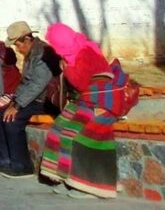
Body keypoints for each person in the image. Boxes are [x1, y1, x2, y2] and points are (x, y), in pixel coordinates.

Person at [40, 23, 127, 199]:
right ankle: (65, 177)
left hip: (102, 103)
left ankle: (89, 187)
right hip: (86, 101)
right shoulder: (75, 53)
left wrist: (66, 68)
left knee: (78, 137)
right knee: (58, 130)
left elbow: (81, 83)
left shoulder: (85, 53)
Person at [0, 20, 60, 179]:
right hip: (33, 98)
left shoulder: (43, 54)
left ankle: (22, 166)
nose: (17, 49)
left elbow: (37, 85)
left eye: (17, 45)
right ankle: (3, 162)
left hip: (45, 101)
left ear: (27, 39)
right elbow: (25, 83)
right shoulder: (32, 53)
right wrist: (14, 102)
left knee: (12, 119)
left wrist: (17, 105)